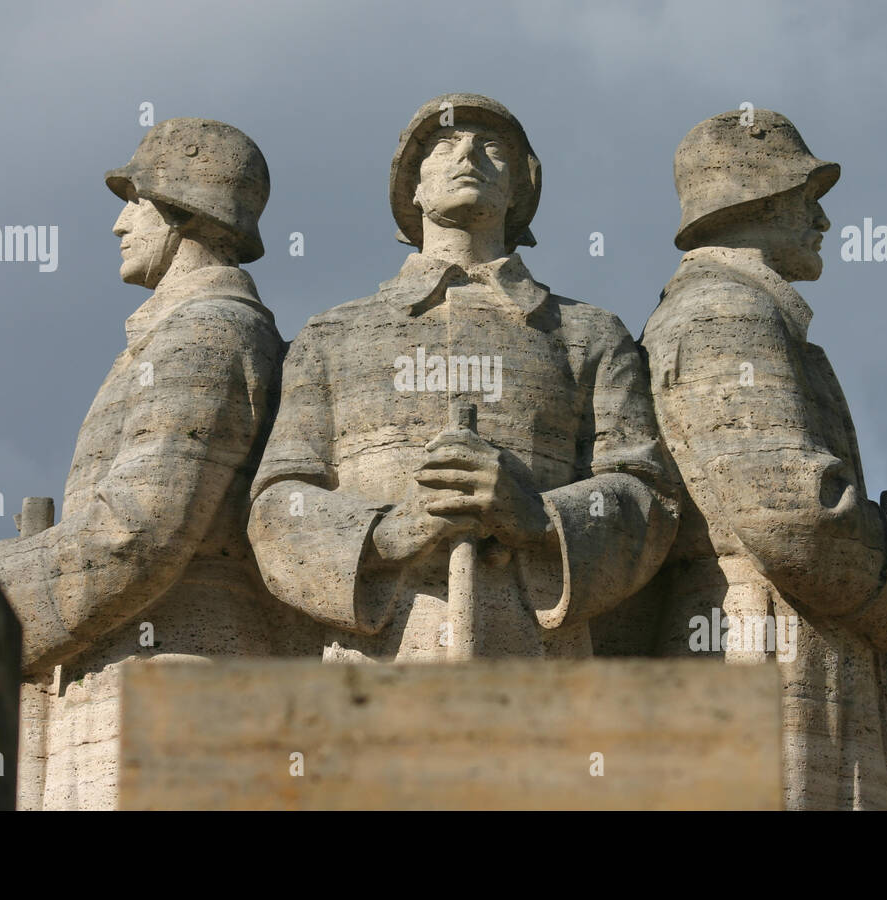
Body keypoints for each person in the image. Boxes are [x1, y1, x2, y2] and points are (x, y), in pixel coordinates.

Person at [248, 93, 680, 662]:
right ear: (414, 187)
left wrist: (537, 518)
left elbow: (646, 495)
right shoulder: (333, 334)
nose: (468, 154)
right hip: (377, 660)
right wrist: (383, 534)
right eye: (444, 144)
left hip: (538, 655)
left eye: (493, 147)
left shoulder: (589, 333)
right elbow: (278, 502)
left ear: (520, 186)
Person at [0, 118, 314, 809]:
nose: (119, 225)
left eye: (136, 200)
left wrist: (0, 602)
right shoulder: (171, 333)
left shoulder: (209, 330)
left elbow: (143, 525)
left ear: (185, 209)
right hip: (124, 663)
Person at [639, 109, 887, 809]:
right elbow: (795, 520)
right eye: (807, 198)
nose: (821, 221)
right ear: (757, 199)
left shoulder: (736, 310)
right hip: (764, 641)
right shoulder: (726, 313)